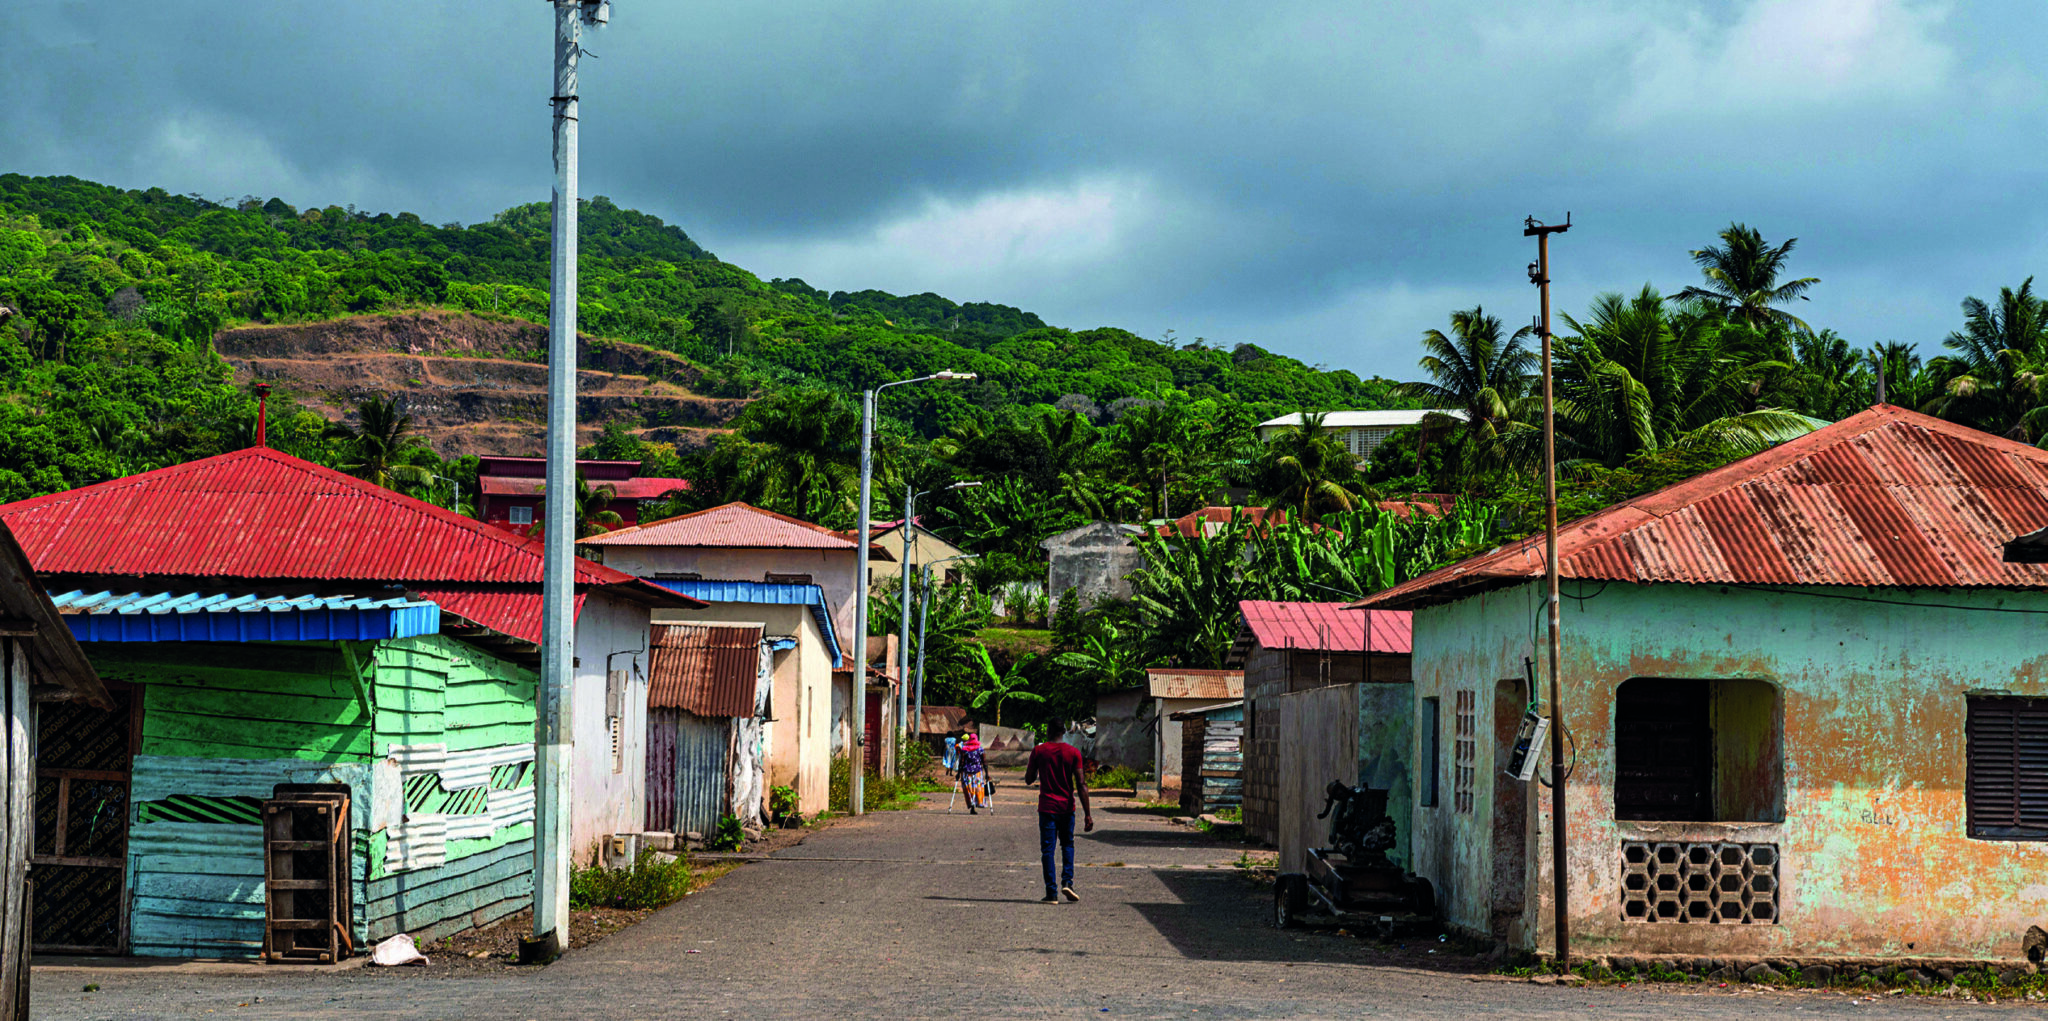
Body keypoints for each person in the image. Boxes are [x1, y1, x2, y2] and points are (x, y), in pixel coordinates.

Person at [1023, 720, 1091, 903]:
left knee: (1048, 850)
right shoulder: (1073, 752)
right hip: (1067, 808)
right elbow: (1081, 784)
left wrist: (1037, 767)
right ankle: (1067, 882)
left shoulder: (1039, 751)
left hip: (1047, 808)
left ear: (1048, 730)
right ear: (1063, 732)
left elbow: (1029, 779)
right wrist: (1088, 814)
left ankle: (1051, 893)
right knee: (1067, 844)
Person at [956, 731, 989, 814]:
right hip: (977, 772)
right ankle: (977, 804)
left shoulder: (964, 750)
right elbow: (984, 762)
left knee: (969, 789)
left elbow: (961, 762)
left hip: (966, 773)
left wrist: (958, 773)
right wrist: (987, 774)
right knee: (977, 788)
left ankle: (972, 805)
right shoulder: (980, 750)